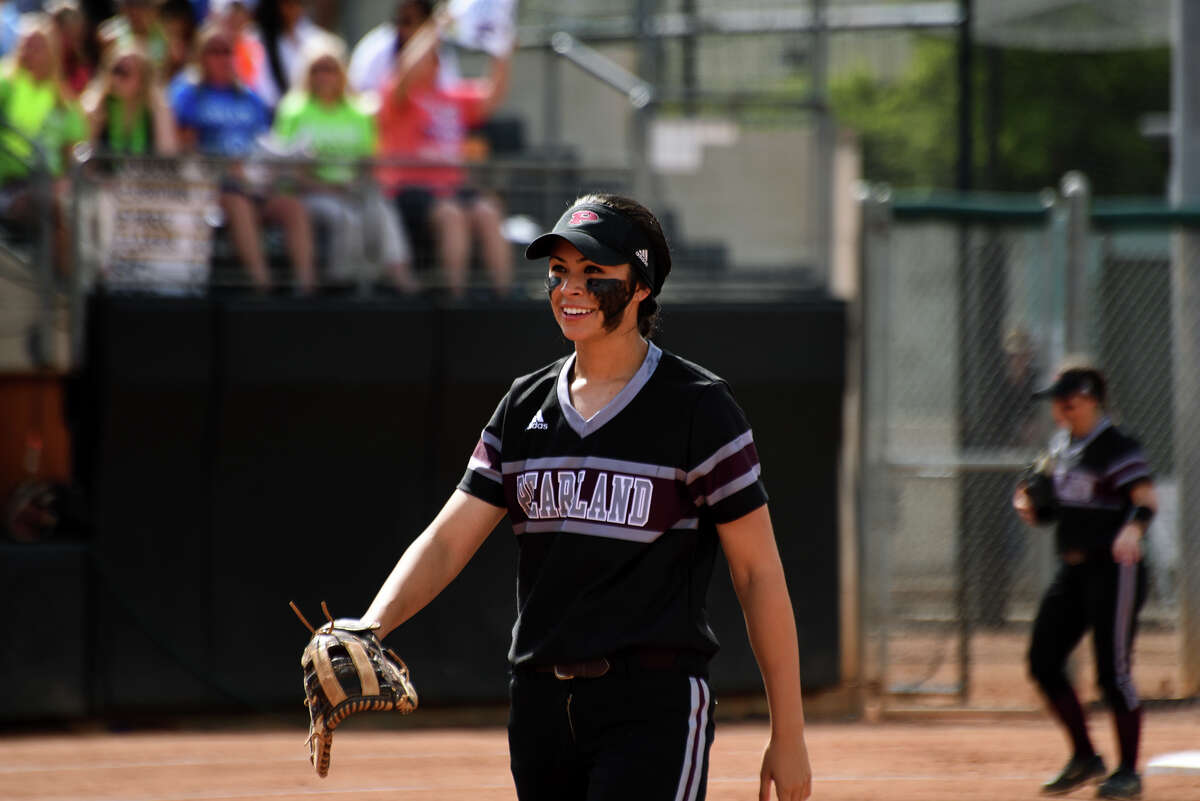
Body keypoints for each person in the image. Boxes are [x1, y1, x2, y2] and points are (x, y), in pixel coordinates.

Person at [357, 193, 813, 801]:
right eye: (560, 272)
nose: (570, 288)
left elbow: (757, 574)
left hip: (653, 705)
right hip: (539, 704)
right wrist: (370, 626)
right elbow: (446, 541)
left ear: (642, 286)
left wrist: (790, 732)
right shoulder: (524, 406)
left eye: (595, 274)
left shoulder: (697, 406)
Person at [1013, 365, 1156, 799]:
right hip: (1073, 570)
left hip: (1115, 570)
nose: (1060, 406)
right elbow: (1054, 508)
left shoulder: (1116, 446)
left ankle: (1128, 771)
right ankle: (1085, 757)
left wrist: (1134, 528)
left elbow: (1144, 501)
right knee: (1043, 660)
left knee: (1113, 672)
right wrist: (1033, 506)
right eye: (1056, 399)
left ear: (1091, 397)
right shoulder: (1061, 447)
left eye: (1068, 398)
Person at [377, 0, 512, 299]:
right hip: (409, 188)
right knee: (451, 214)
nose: (431, 60)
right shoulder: (397, 94)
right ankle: (456, 295)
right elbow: (407, 69)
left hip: (451, 187)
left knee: (488, 211)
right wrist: (438, 25)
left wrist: (502, 48)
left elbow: (493, 95)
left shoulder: (452, 96)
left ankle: (503, 295)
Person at [171, 22, 315, 292]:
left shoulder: (250, 98)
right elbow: (183, 148)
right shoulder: (188, 93)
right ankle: (263, 287)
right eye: (214, 51)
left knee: (292, 207)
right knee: (239, 203)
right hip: (211, 187)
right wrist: (224, 168)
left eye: (227, 51)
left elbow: (265, 143)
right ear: (200, 55)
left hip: (254, 182)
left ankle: (306, 290)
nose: (223, 57)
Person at [272, 35, 416, 292]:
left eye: (330, 68)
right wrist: (328, 188)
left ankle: (397, 277)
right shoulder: (293, 110)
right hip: (308, 192)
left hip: (352, 189)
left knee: (382, 210)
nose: (324, 75)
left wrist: (354, 186)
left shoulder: (358, 113)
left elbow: (368, 164)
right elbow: (288, 170)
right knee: (345, 216)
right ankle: (344, 284)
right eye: (317, 69)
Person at [0, 12, 88, 279]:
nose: (30, 50)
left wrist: (65, 180)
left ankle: (64, 293)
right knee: (55, 206)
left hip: (48, 189)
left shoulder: (62, 99)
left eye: (38, 44)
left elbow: (73, 151)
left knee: (66, 205)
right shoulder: (5, 84)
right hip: (9, 188)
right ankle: (65, 292)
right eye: (26, 43)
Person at [82, 42, 178, 155]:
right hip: (105, 172)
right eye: (115, 70)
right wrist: (96, 114)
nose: (117, 78)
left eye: (124, 72)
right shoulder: (98, 105)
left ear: (143, 78)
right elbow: (85, 152)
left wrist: (161, 114)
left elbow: (167, 154)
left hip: (146, 172)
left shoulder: (156, 108)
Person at [251, 0, 323, 109]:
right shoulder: (258, 39)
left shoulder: (313, 37)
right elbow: (263, 87)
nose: (293, 9)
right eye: (288, 4)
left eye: (298, 3)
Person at [97, 0, 171, 79]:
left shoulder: (165, 32)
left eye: (143, 5)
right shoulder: (111, 37)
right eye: (130, 4)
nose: (136, 11)